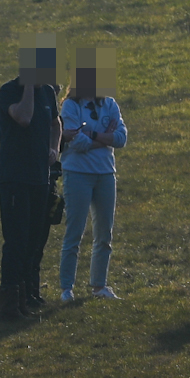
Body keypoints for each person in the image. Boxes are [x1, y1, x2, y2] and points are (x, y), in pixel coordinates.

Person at [0, 60, 60, 320]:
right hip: (14, 178)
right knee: (16, 241)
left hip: (39, 178)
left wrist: (54, 148)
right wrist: (29, 88)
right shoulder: (9, 91)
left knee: (33, 240)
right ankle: (9, 303)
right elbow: (23, 118)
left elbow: (56, 123)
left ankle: (26, 298)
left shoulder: (48, 93)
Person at [58, 80, 129, 302]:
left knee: (104, 234)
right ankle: (66, 287)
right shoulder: (70, 106)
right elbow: (75, 142)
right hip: (77, 173)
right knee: (74, 232)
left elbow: (121, 138)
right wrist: (104, 138)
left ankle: (99, 285)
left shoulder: (110, 105)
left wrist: (93, 135)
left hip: (106, 173)